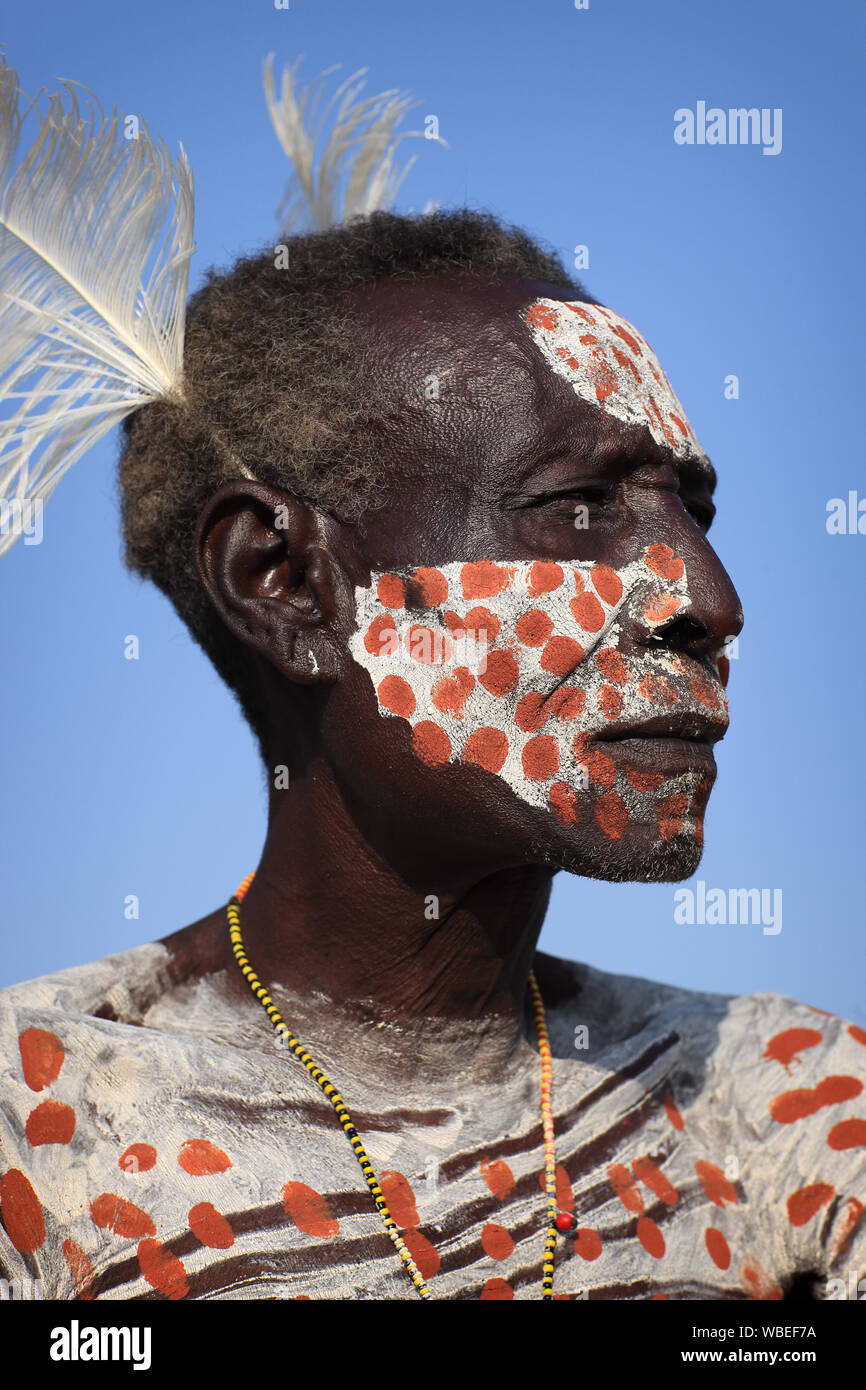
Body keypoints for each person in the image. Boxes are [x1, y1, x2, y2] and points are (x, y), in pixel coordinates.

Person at [0, 63, 863, 1304]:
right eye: (576, 508)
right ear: (282, 582)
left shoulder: (783, 1109)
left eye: (691, 508)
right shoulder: (44, 1130)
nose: (707, 601)